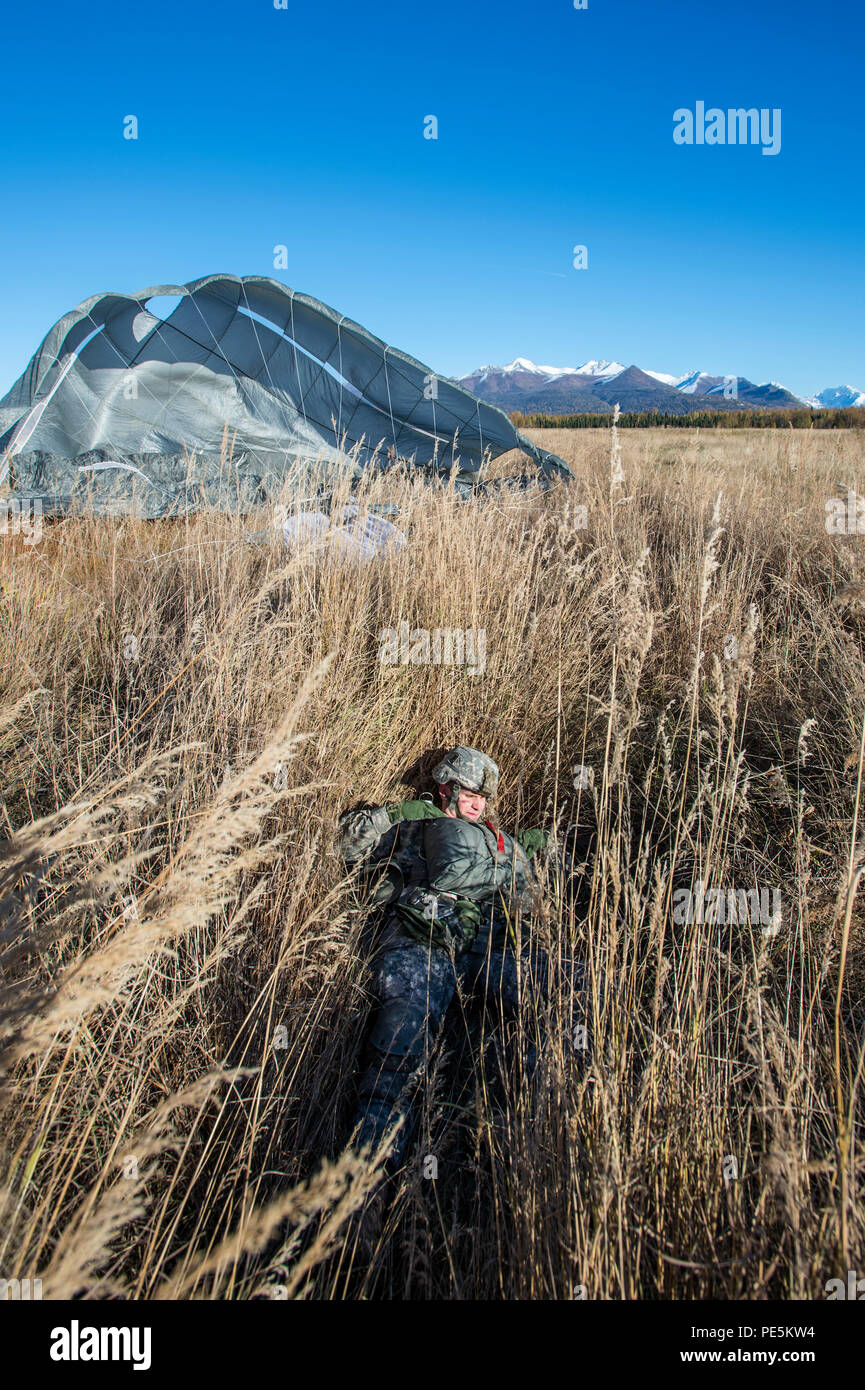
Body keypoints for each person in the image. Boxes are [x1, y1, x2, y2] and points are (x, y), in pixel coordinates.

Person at [336, 747, 585, 1222]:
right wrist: (391, 815)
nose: (478, 803)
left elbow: (533, 892)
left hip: (489, 945)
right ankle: (361, 1197)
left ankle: (553, 1137)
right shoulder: (414, 824)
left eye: (483, 797)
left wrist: (542, 850)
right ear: (447, 788)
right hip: (422, 939)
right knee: (397, 1053)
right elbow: (347, 846)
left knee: (572, 987)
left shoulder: (497, 839)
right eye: (470, 793)